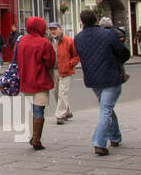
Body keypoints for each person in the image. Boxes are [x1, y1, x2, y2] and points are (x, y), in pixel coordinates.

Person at [73, 8, 131, 156]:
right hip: (110, 77)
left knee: (107, 107)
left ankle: (115, 136)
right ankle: (99, 142)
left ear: (82, 21)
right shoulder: (108, 34)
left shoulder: (78, 38)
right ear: (96, 20)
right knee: (106, 109)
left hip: (93, 79)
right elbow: (124, 53)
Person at [16, 16, 57, 151]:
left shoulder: (21, 41)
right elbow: (50, 62)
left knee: (32, 109)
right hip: (40, 80)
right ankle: (36, 140)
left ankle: (32, 136)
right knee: (39, 110)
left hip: (26, 81)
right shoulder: (43, 43)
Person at [48, 22, 79, 124]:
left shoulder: (68, 41)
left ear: (60, 29)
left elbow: (76, 56)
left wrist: (70, 64)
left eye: (55, 29)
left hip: (65, 70)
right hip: (53, 70)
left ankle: (60, 115)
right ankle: (67, 111)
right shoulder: (47, 41)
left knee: (63, 93)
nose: (52, 31)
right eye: (51, 29)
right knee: (56, 93)